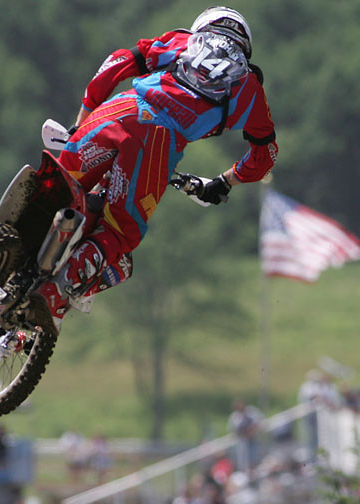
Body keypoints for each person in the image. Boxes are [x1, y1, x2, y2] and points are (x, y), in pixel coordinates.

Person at [27, 7, 277, 335]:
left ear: (203, 28)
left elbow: (115, 62)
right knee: (121, 232)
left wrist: (81, 120)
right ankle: (56, 292)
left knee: (58, 187)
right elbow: (265, 156)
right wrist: (224, 181)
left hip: (119, 110)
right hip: (157, 142)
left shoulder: (181, 40)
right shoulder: (249, 86)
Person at [227, 398, 263, 475]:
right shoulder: (234, 417)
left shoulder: (252, 412)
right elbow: (233, 430)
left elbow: (259, 423)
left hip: (254, 440)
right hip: (242, 442)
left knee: (255, 459)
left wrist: (252, 431)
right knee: (242, 461)